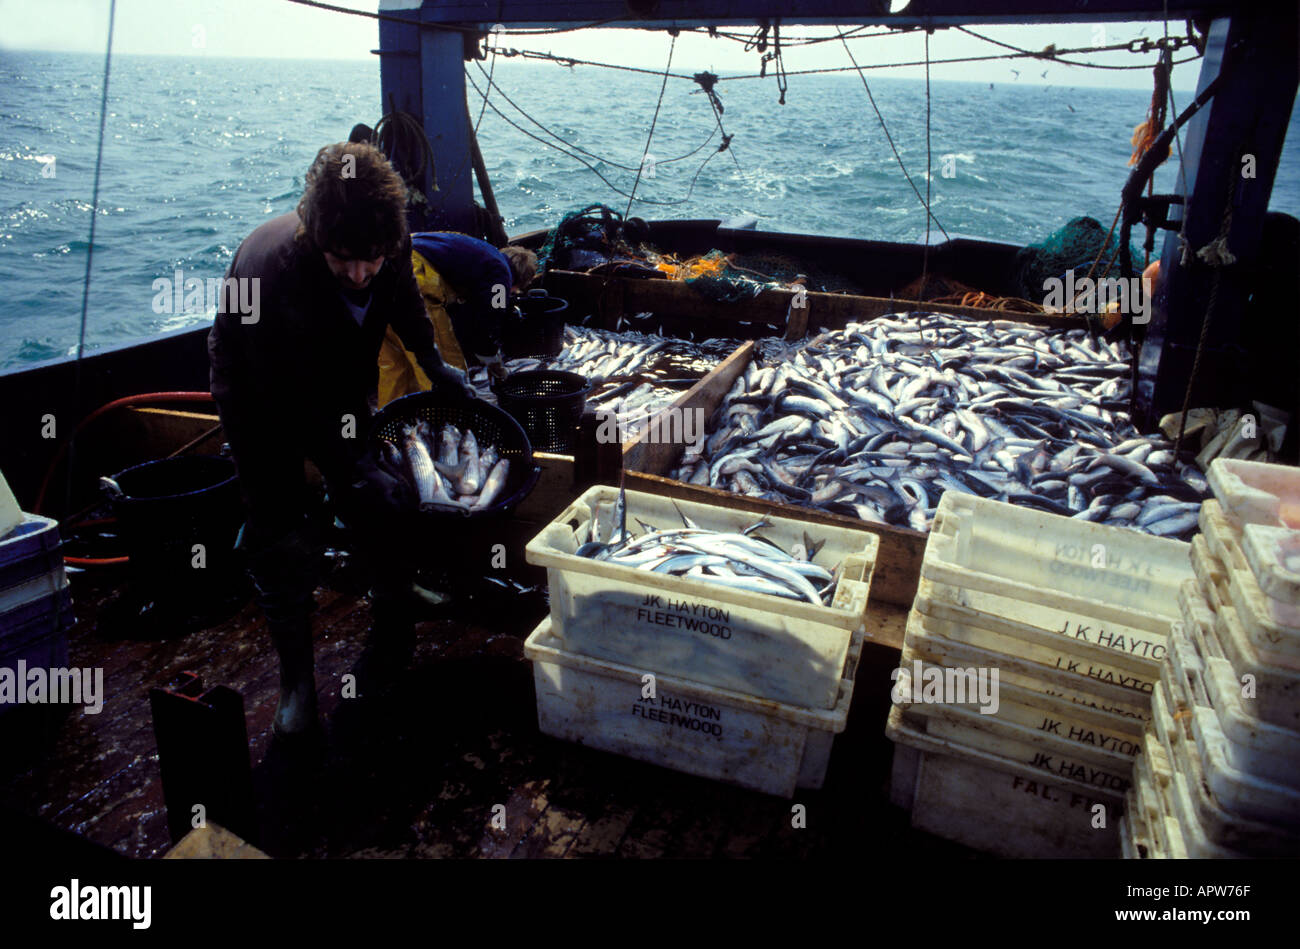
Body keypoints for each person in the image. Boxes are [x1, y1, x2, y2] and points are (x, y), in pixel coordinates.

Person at [208, 142, 474, 739]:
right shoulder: (270, 275)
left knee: (378, 491)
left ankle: (393, 604)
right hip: (258, 387)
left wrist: (434, 362)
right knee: (277, 522)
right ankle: (297, 684)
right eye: (343, 261)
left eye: (371, 260)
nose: (359, 274)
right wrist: (345, 464)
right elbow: (289, 403)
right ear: (316, 239)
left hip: (338, 363)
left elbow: (402, 297)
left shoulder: (388, 241)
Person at [376, 233, 537, 407]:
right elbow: (490, 320)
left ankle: (391, 422)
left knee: (395, 366)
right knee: (448, 367)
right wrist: (493, 360)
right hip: (415, 283)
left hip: (381, 275)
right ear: (517, 279)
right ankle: (451, 424)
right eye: (513, 292)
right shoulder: (501, 274)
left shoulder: (479, 251)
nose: (511, 294)